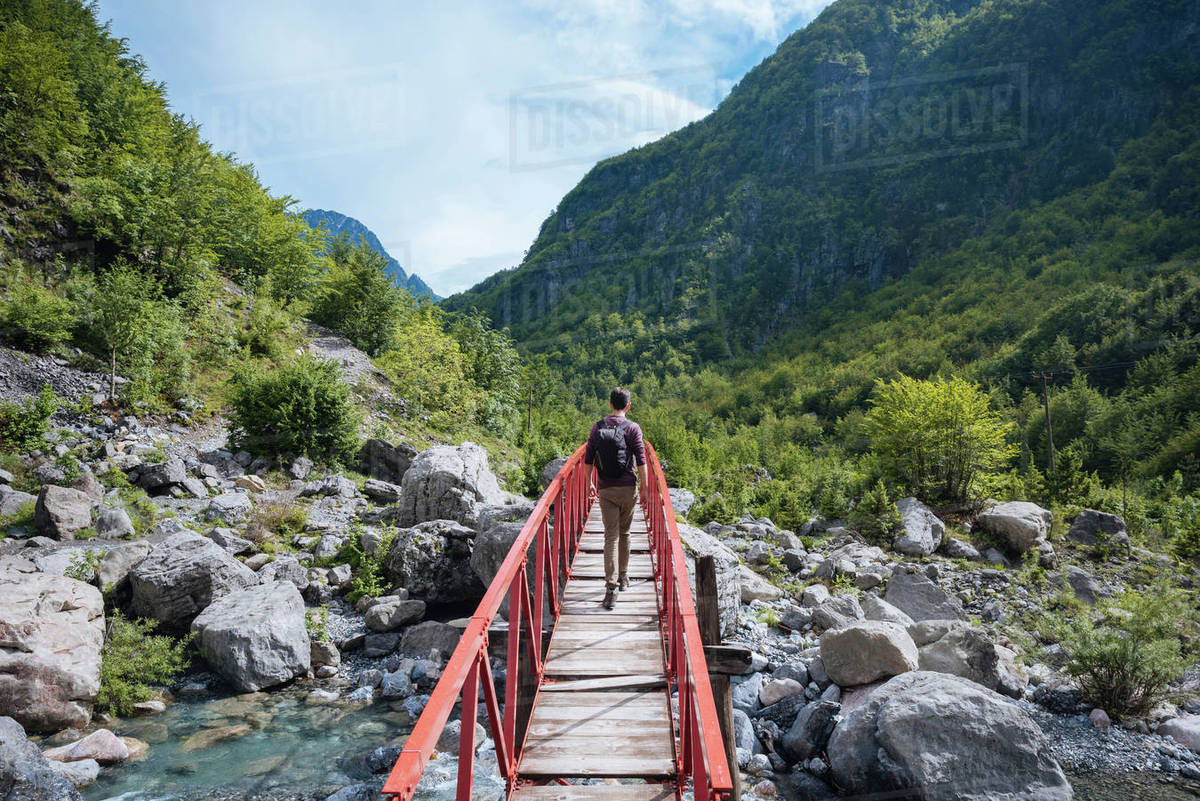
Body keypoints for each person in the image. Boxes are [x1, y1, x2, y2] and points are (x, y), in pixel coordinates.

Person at [583, 386, 648, 610]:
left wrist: (589, 483)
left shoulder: (598, 427)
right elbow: (641, 459)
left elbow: (588, 458)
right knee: (625, 532)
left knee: (610, 537)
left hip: (606, 489)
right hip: (628, 488)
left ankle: (610, 589)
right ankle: (624, 577)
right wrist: (646, 488)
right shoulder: (633, 428)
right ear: (628, 406)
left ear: (610, 404)